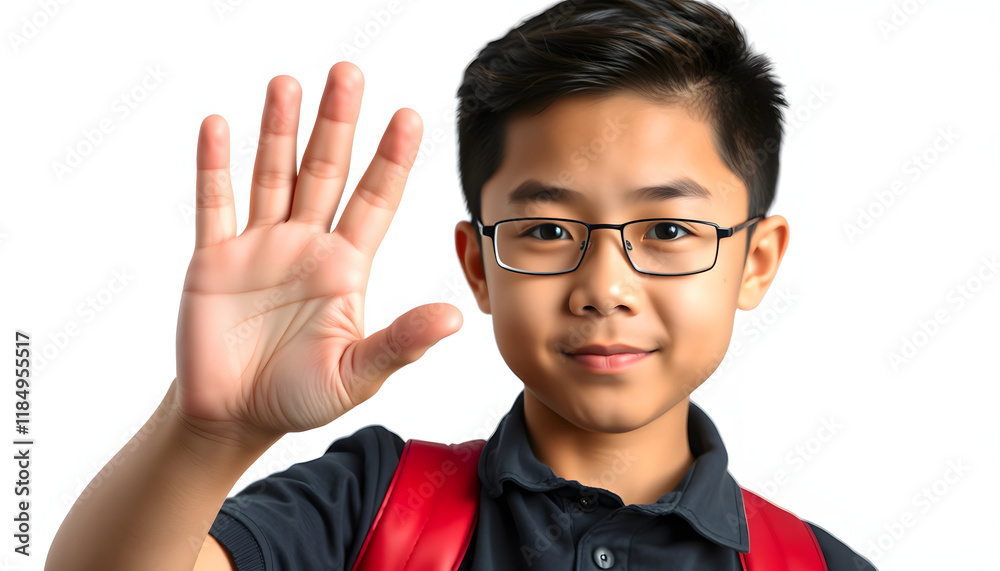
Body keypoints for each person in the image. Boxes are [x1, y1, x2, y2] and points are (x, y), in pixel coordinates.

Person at [45, 0, 876, 569]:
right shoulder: (367, 506)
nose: (604, 287)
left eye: (666, 230)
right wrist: (206, 432)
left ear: (757, 260)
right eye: (548, 230)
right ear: (479, 264)